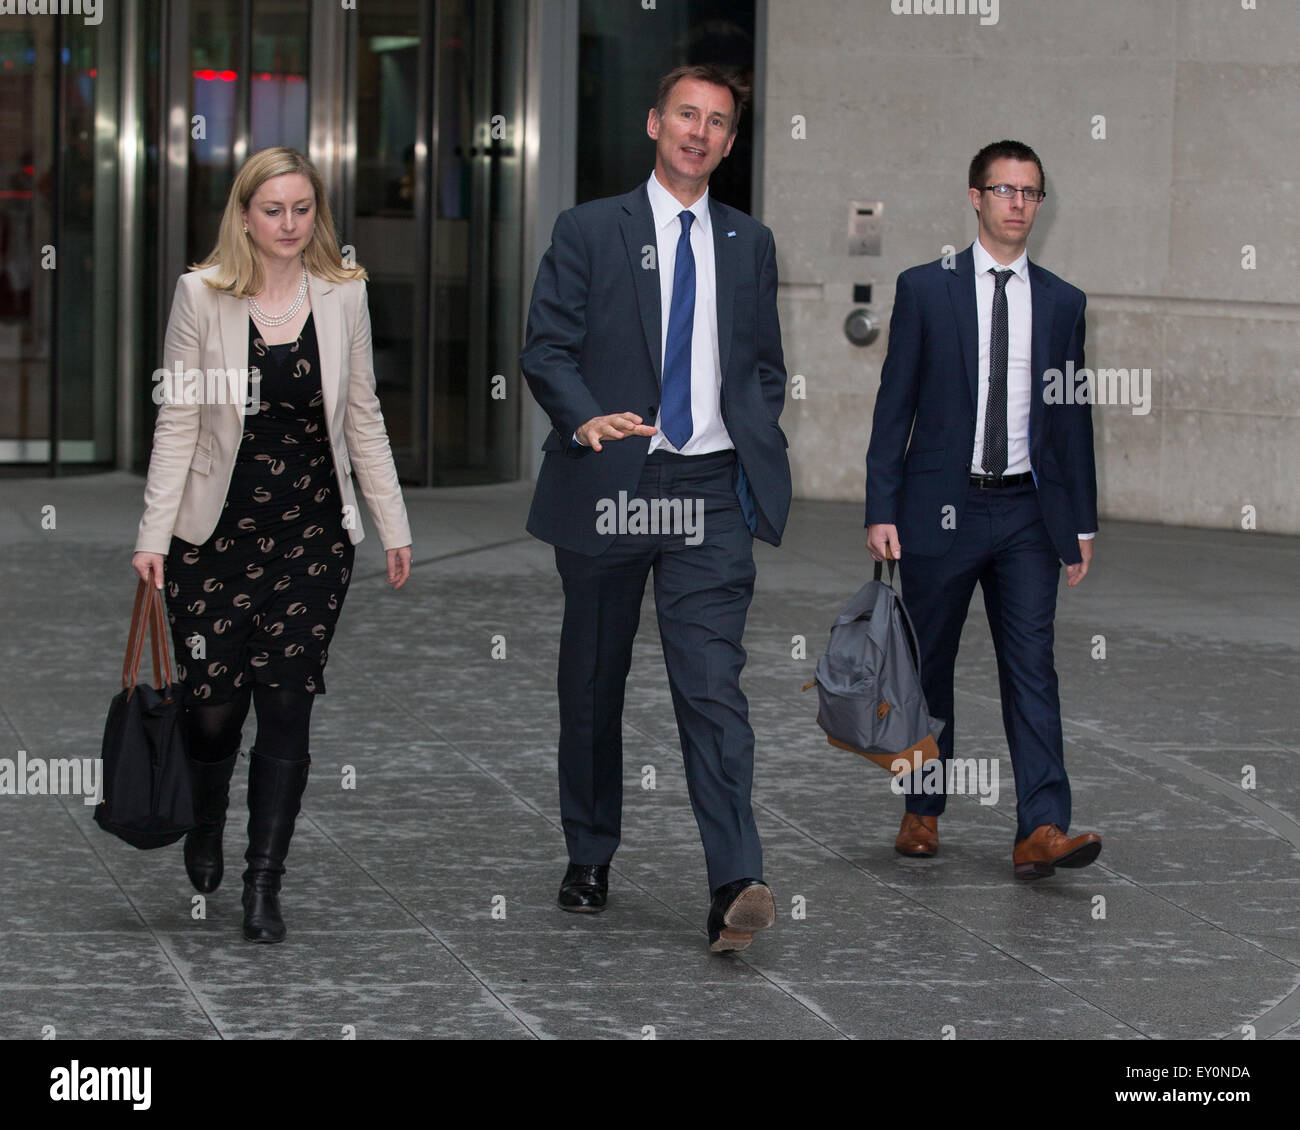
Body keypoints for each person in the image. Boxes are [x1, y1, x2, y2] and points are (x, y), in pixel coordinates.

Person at [520, 65, 792, 952]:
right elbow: (546, 347)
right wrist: (582, 414)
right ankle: (590, 852)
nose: (699, 132)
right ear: (653, 121)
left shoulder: (749, 242)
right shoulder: (592, 229)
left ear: (729, 141)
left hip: (707, 491)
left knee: (713, 688)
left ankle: (734, 882)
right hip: (611, 482)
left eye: (718, 121)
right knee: (594, 682)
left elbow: (762, 367)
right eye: (686, 114)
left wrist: (751, 425)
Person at [132, 147, 412, 941]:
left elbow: (362, 415)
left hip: (312, 537)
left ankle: (264, 883)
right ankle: (207, 814)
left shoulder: (344, 296)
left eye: (302, 209)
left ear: (316, 214)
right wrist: (153, 534)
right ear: (244, 215)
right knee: (214, 711)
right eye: (273, 210)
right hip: (213, 538)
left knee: (287, 704)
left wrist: (391, 524)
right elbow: (179, 420)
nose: (290, 224)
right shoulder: (202, 294)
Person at [865, 139, 1103, 880]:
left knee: (1032, 666)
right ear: (975, 196)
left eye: (1030, 193)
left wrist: (1081, 522)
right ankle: (922, 811)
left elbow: (1071, 419)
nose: (1017, 205)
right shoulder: (925, 288)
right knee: (928, 664)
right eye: (1004, 190)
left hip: (1028, 513)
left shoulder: (1063, 302)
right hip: (940, 507)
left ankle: (1041, 826)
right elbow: (893, 405)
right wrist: (882, 506)